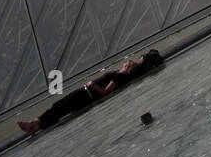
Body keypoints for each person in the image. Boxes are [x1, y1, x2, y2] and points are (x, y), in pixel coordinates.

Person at [17, 50, 163, 136]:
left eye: (132, 62)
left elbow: (106, 92)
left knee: (61, 109)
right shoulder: (121, 74)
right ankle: (35, 124)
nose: (127, 61)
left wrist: (92, 84)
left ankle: (35, 126)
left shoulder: (121, 76)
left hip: (87, 96)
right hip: (86, 93)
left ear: (131, 68)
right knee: (58, 106)